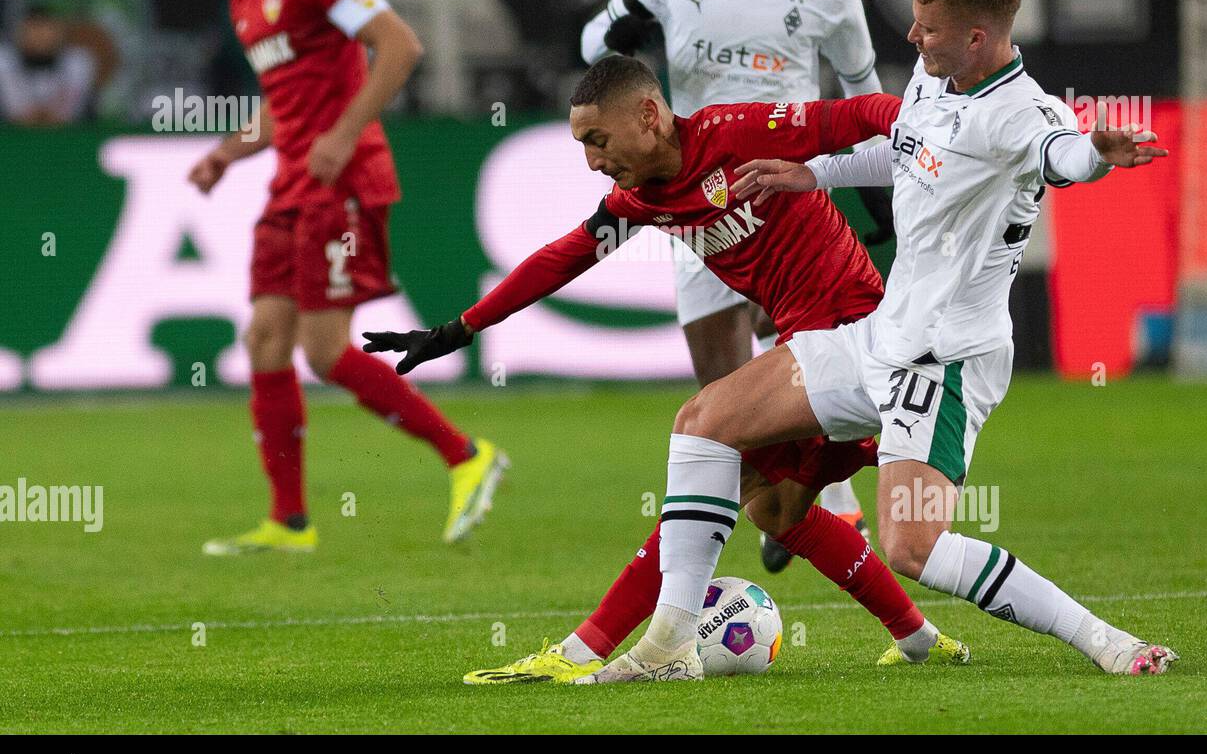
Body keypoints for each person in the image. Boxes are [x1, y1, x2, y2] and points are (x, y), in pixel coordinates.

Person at [576, 0, 1178, 682]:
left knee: (914, 549)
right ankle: (667, 647)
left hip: (947, 360)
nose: (914, 40)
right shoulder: (934, 78)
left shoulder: (1025, 114)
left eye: (928, 28)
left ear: (979, 37)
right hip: (878, 339)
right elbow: (907, 148)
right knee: (704, 423)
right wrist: (816, 171)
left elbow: (1062, 154)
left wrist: (1098, 151)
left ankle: (1108, 642)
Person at [364, 55, 969, 683]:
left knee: (711, 470)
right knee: (777, 513)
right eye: (582, 146)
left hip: (852, 335)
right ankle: (921, 639)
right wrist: (460, 329)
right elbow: (559, 260)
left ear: (649, 116)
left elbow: (858, 113)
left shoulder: (740, 132)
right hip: (808, 348)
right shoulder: (639, 201)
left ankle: (589, 652)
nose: (592, 161)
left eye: (597, 140)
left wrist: (933, 137)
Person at [580, 0, 883, 572]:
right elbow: (597, 46)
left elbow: (864, 97)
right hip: (689, 194)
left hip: (775, 195)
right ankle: (797, 504)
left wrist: (874, 208)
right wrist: (616, 33)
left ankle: (832, 507)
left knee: (799, 370)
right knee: (722, 397)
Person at [190, 0, 506, 555]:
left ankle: (466, 455)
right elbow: (282, 107)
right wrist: (224, 153)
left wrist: (344, 131)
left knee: (325, 351)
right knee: (264, 338)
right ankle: (290, 521)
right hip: (291, 186)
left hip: (343, 182)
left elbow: (399, 45)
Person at [0, 6, 96, 125]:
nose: (39, 37)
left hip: (66, 136)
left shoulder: (78, 61)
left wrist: (47, 116)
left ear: (60, 33)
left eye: (46, 30)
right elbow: (17, 112)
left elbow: (64, 115)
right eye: (33, 30)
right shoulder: (3, 60)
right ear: (19, 33)